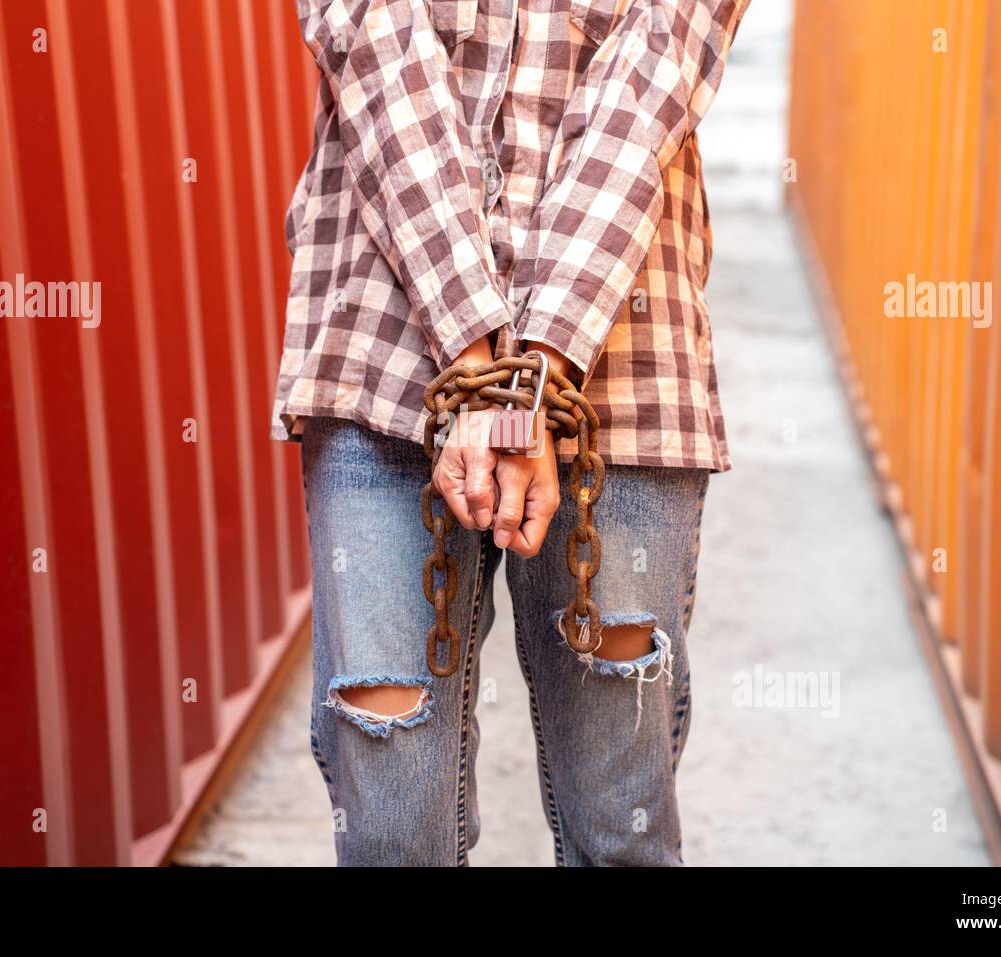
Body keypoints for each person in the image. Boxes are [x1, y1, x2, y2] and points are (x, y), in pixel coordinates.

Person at [275, 0, 749, 866]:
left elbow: (655, 69)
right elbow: (371, 41)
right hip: (386, 354)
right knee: (391, 836)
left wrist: (535, 369)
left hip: (622, 372)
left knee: (622, 828)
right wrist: (476, 350)